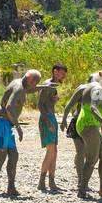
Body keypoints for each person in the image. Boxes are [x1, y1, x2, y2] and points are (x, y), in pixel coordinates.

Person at [62, 67, 102, 199]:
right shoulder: (97, 88)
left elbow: (70, 104)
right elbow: (93, 107)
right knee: (91, 159)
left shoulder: (89, 87)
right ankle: (82, 190)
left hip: (89, 124)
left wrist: (64, 120)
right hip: (88, 124)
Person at [0, 69, 40, 196]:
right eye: (36, 82)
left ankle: (11, 187)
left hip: (7, 124)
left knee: (14, 155)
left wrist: (45, 87)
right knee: (1, 156)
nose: (36, 85)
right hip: (1, 124)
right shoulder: (19, 88)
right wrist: (18, 127)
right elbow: (9, 107)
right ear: (30, 80)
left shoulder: (19, 82)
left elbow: (29, 89)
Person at [36, 63, 67, 192]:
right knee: (50, 151)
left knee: (54, 152)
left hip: (51, 118)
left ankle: (51, 182)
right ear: (55, 71)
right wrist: (48, 122)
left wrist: (54, 100)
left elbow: (47, 103)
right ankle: (42, 182)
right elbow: (40, 104)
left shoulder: (53, 85)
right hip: (46, 119)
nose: (64, 75)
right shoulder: (48, 85)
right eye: (62, 72)